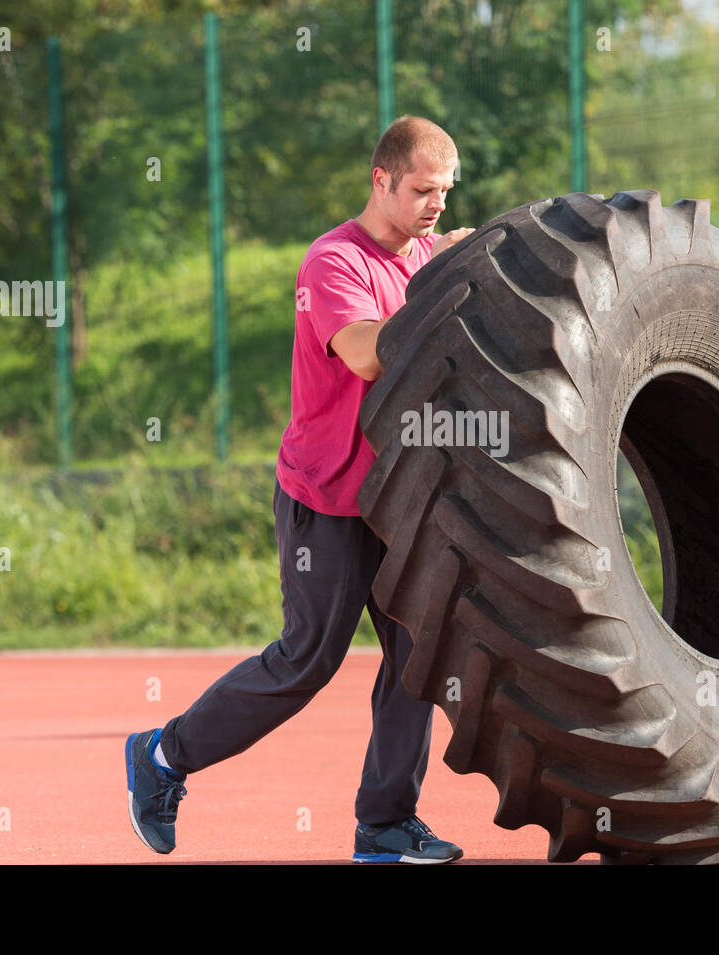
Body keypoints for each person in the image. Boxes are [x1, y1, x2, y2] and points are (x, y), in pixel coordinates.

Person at [125, 116, 475, 864]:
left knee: (418, 654)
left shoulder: (423, 255)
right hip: (325, 497)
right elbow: (368, 355)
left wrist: (458, 266)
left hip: (395, 497)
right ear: (381, 179)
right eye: (422, 190)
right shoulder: (332, 262)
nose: (435, 205)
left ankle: (384, 824)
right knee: (306, 658)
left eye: (445, 191)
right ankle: (161, 756)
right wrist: (438, 282)